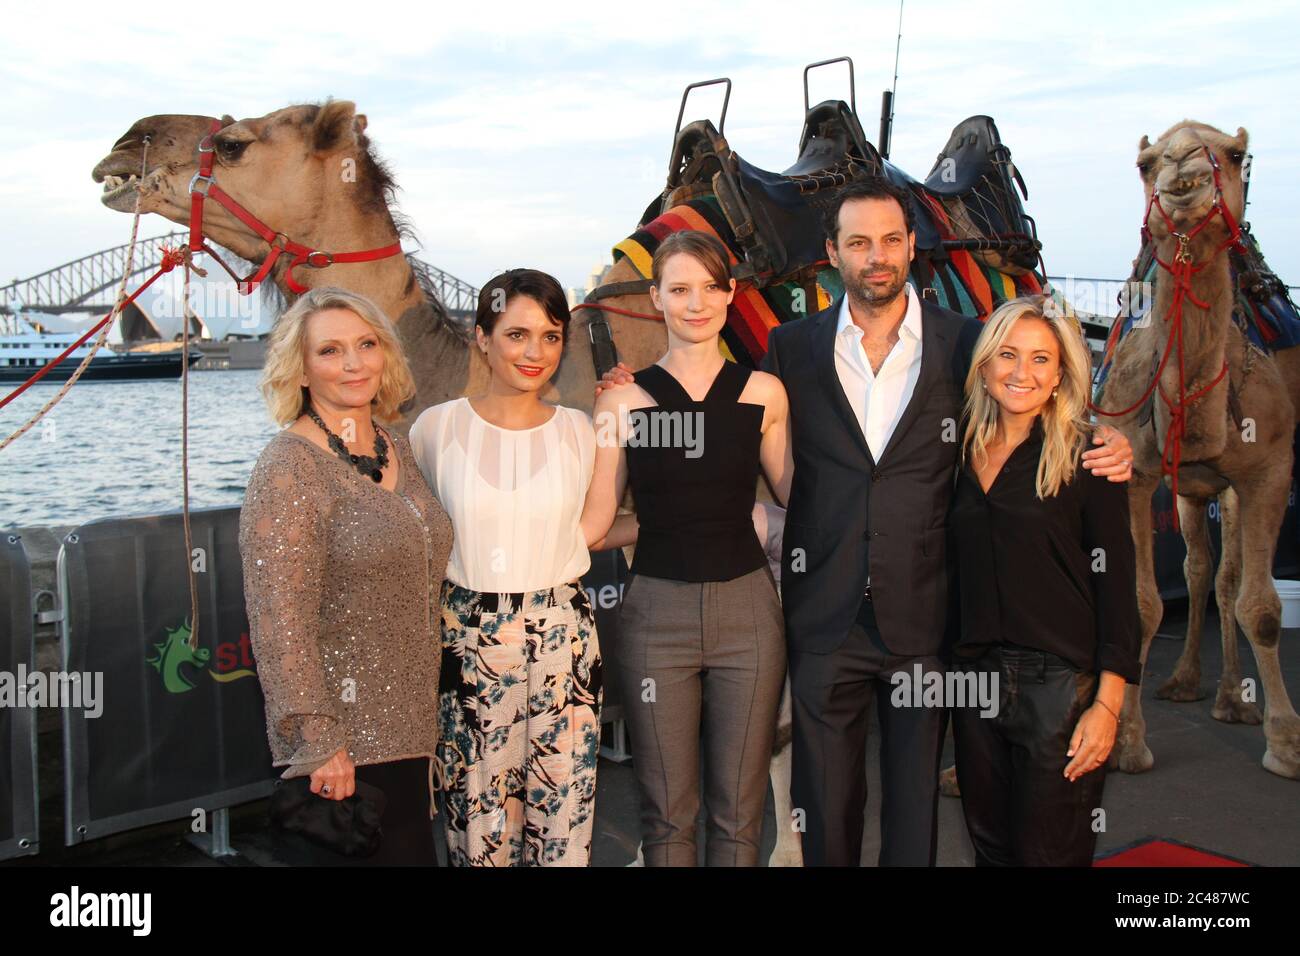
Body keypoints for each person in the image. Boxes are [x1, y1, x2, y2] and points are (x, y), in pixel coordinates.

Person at [601, 179, 1134, 866]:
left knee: (915, 821)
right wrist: (630, 391)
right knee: (825, 818)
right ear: (832, 254)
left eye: (889, 240)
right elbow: (724, 423)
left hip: (927, 621)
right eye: (858, 242)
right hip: (823, 620)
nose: (875, 256)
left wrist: (1100, 436)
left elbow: (1025, 394)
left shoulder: (965, 343)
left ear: (912, 247)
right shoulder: (791, 350)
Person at [409, 268, 634, 867]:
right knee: (478, 823)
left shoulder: (581, 431)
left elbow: (591, 528)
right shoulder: (434, 429)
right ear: (481, 337)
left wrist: (617, 407)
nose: (535, 352)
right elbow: (414, 538)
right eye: (516, 334)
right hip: (467, 637)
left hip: (563, 633)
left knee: (563, 818)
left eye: (552, 336)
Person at [585, 229, 793, 866]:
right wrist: (659, 525)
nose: (695, 303)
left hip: (750, 616)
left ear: (730, 296)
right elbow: (595, 527)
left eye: (709, 287)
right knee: (666, 815)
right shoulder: (622, 400)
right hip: (654, 618)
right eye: (679, 289)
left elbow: (801, 504)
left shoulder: (764, 394)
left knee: (739, 814)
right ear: (655, 298)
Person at [239, 286, 454, 866]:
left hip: (412, 728)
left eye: (366, 344)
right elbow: (278, 617)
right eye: (330, 351)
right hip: (343, 742)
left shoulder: (398, 447)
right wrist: (318, 741)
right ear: (301, 370)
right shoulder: (288, 466)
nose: (354, 363)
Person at [948, 295, 1140, 866]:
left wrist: (1107, 706)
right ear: (984, 366)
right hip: (972, 682)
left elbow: (1117, 586)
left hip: (1059, 687)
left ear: (1060, 376)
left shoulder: (1088, 457)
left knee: (1050, 855)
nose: (1021, 373)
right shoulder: (954, 449)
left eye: (1040, 359)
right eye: (1007, 355)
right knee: (991, 852)